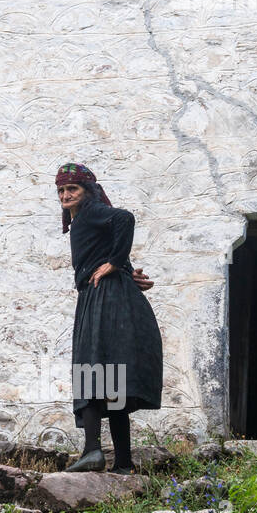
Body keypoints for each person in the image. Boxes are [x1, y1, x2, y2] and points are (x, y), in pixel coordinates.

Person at [55, 162, 163, 475]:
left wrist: (115, 264)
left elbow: (125, 218)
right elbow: (113, 239)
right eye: (61, 190)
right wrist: (128, 272)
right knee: (111, 375)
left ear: (88, 192)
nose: (65, 195)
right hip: (115, 297)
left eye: (72, 188)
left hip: (102, 298)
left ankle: (92, 451)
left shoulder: (90, 211)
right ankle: (124, 463)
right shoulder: (85, 220)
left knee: (90, 367)